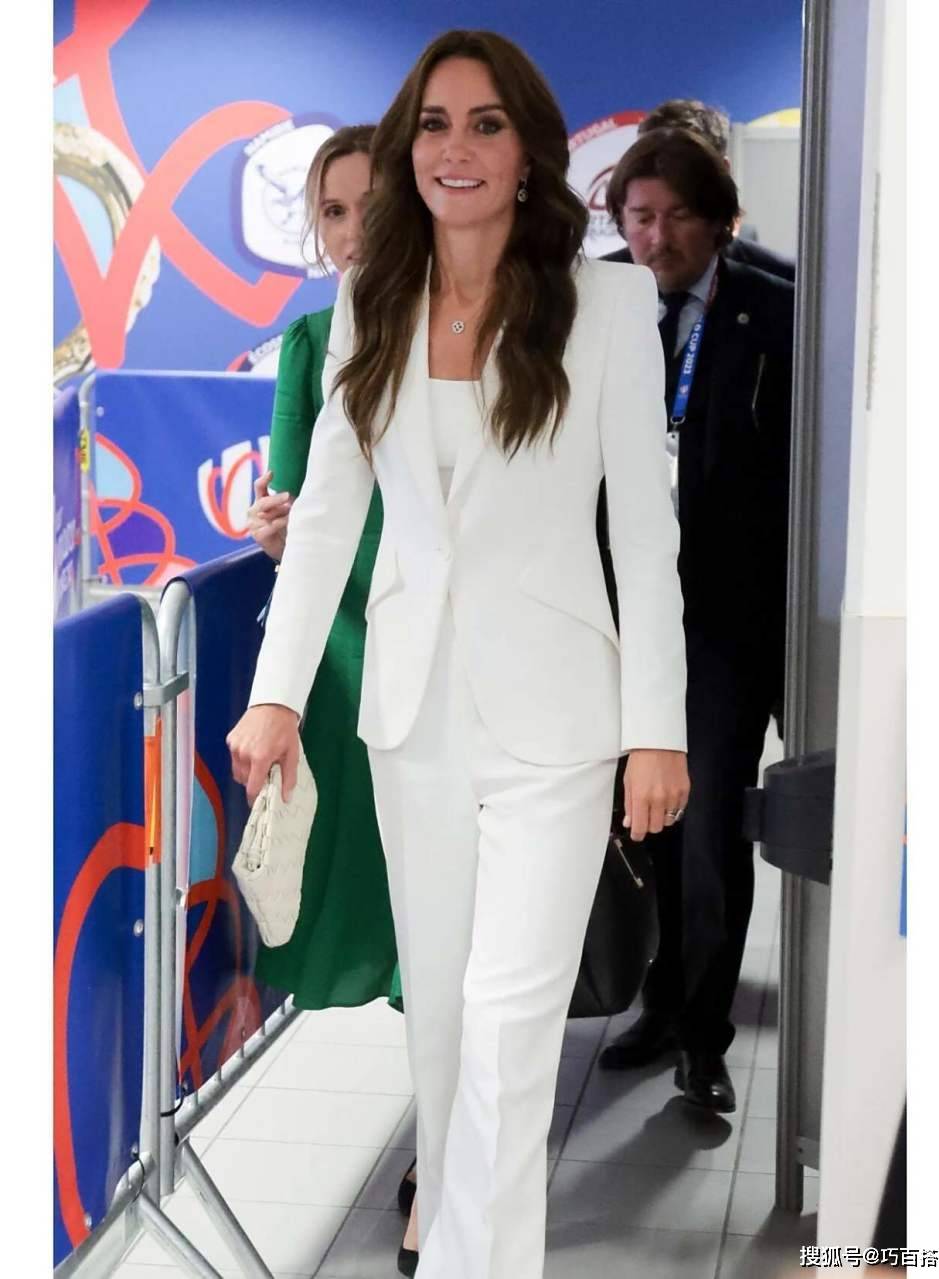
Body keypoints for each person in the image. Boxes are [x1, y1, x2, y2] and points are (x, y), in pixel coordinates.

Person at [227, 28, 688, 1279]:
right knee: (438, 1019)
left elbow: (646, 536)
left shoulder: (605, 307)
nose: (458, 147)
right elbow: (328, 515)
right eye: (435, 123)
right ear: (408, 150)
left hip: (559, 720)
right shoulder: (370, 303)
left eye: (487, 123)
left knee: (506, 1022)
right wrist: (276, 697)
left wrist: (658, 727)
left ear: (528, 152)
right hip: (411, 716)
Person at [243, 123, 419, 1244]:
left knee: (447, 921)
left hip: (455, 661)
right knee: (374, 890)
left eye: (370, 206)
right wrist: (277, 529)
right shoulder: (311, 340)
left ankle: (447, 1155)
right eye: (333, 211)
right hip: (343, 653)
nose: (353, 232)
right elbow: (292, 502)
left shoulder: (466, 324)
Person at [598, 127, 794, 1115]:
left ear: (719, 220)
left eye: (677, 216)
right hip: (621, 611)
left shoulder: (776, 306)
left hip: (725, 617)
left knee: (710, 825)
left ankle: (704, 1037)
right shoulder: (596, 301)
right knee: (648, 824)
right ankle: (660, 1000)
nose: (657, 236)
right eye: (640, 216)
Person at [603, 98, 796, 282]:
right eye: (645, 218)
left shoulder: (787, 286)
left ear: (722, 171)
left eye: (681, 215)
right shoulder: (597, 284)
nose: (661, 238)